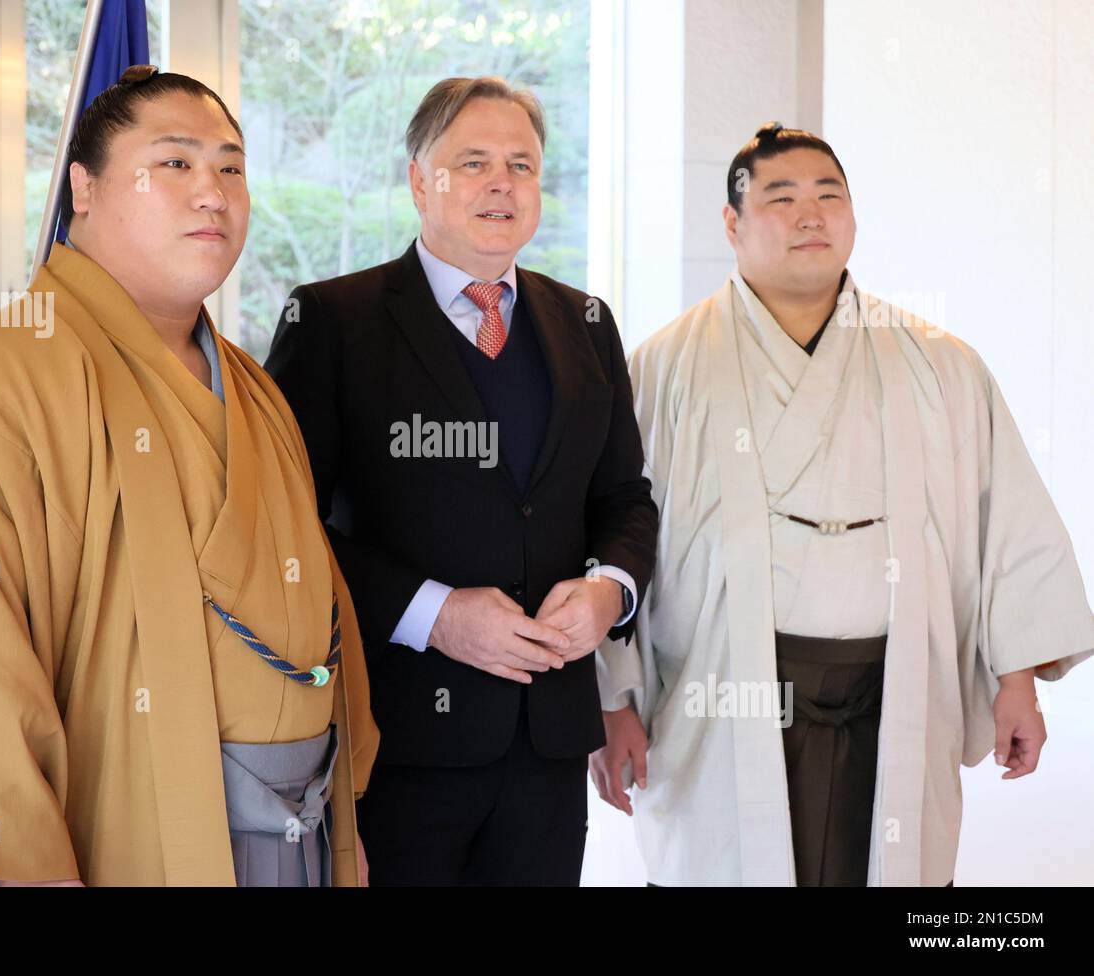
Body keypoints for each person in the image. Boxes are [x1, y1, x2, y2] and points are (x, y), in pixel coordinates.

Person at [0, 66, 377, 887]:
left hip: (306, 830)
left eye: (232, 167)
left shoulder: (255, 388)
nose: (213, 192)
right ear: (85, 185)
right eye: (174, 163)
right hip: (127, 838)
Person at [593, 122, 1094, 886]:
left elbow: (1009, 528)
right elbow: (615, 537)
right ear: (732, 224)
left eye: (830, 196)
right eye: (781, 197)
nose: (810, 215)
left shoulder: (939, 362)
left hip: (892, 689)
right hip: (718, 698)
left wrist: (1017, 681)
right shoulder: (664, 367)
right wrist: (615, 701)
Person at [265, 76, 658, 885]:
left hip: (546, 744)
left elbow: (624, 500)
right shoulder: (334, 321)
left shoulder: (586, 323)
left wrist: (608, 592)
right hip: (395, 741)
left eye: (521, 164)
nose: (501, 183)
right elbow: (285, 527)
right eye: (472, 161)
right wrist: (433, 615)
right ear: (420, 179)